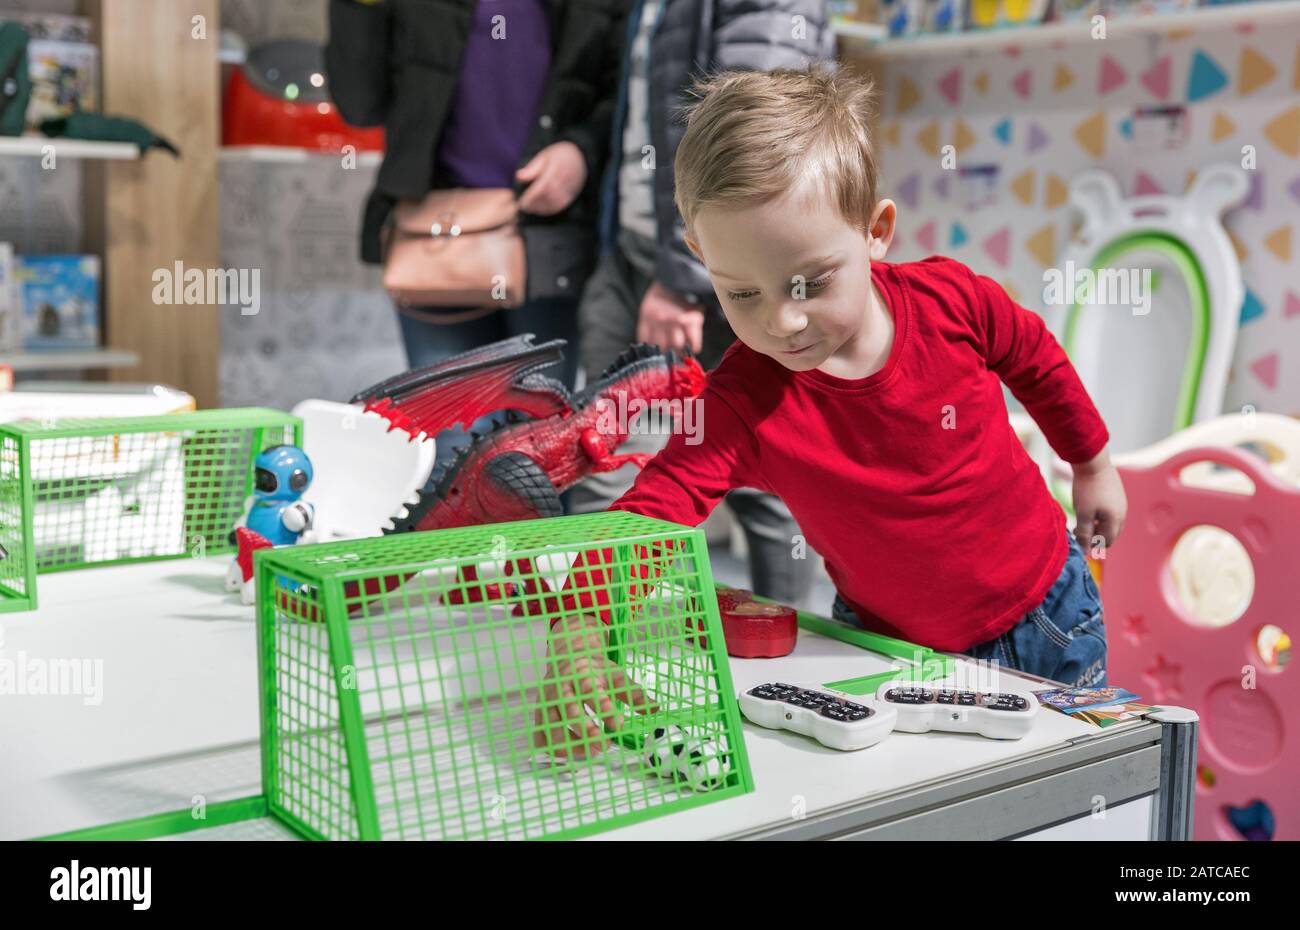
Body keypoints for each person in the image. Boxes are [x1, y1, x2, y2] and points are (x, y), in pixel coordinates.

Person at [534, 66, 1128, 758]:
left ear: (875, 231)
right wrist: (577, 625)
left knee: (1083, 784)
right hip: (892, 649)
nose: (783, 321)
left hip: (1050, 613)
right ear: (701, 257)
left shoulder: (954, 301)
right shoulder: (743, 402)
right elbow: (652, 509)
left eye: (809, 284)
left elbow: (1037, 360)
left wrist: (1092, 464)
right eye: (742, 294)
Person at [570, 0, 836, 608]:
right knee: (599, 455)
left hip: (716, 273)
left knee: (760, 476)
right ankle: (586, 644)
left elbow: (754, 142)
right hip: (634, 252)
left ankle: (781, 653)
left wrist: (683, 279)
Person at [326, 0, 629, 466]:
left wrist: (581, 151)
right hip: (438, 237)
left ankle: (541, 545)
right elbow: (360, 104)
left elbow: (628, 85)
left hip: (549, 235)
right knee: (451, 452)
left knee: (542, 450)